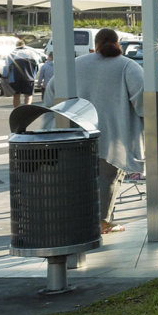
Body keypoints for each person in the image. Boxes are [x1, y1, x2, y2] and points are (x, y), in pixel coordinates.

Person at [45, 27, 144, 236]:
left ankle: (78, 219)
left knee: (80, 179)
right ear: (118, 44)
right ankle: (102, 222)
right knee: (108, 178)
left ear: (94, 46)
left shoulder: (76, 65)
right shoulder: (128, 66)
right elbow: (143, 99)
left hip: (76, 132)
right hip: (113, 134)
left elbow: (52, 89)